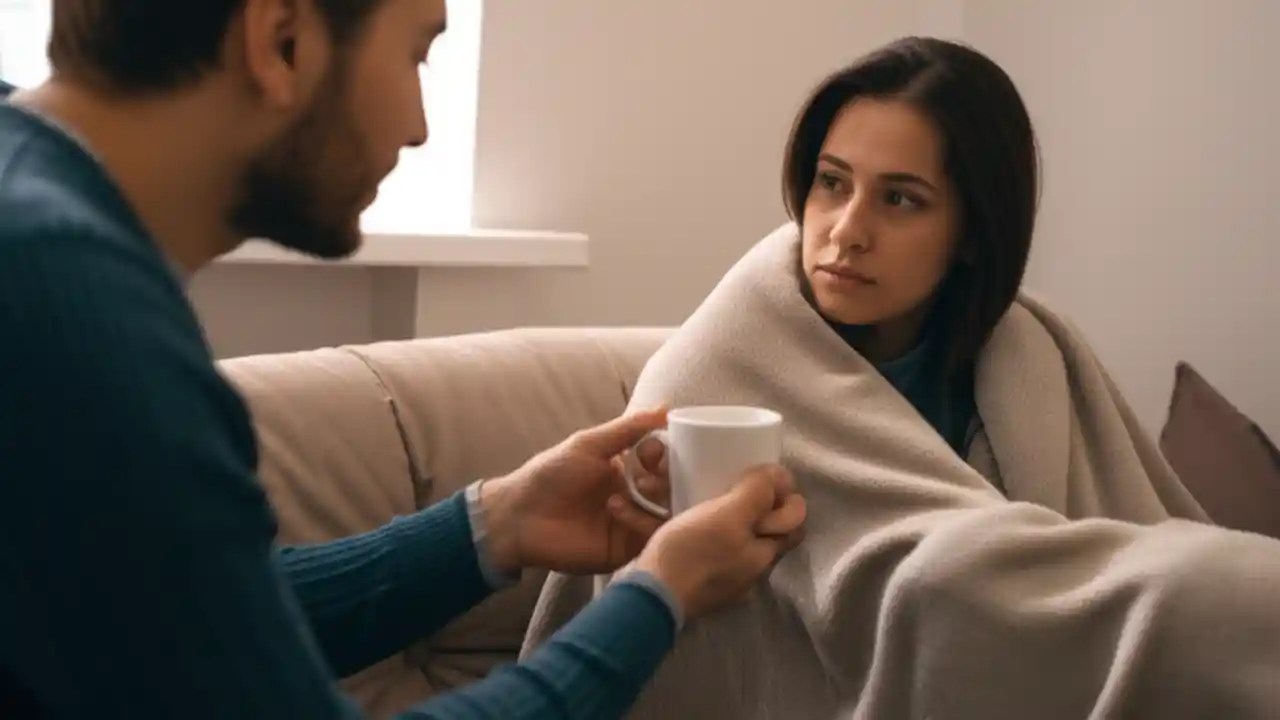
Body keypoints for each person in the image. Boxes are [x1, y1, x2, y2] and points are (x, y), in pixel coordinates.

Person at [0, 1, 808, 718]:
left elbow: (181, 625)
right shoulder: (72, 305)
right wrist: (658, 596)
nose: (419, 126)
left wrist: (493, 524)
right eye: (419, 52)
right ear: (280, 41)